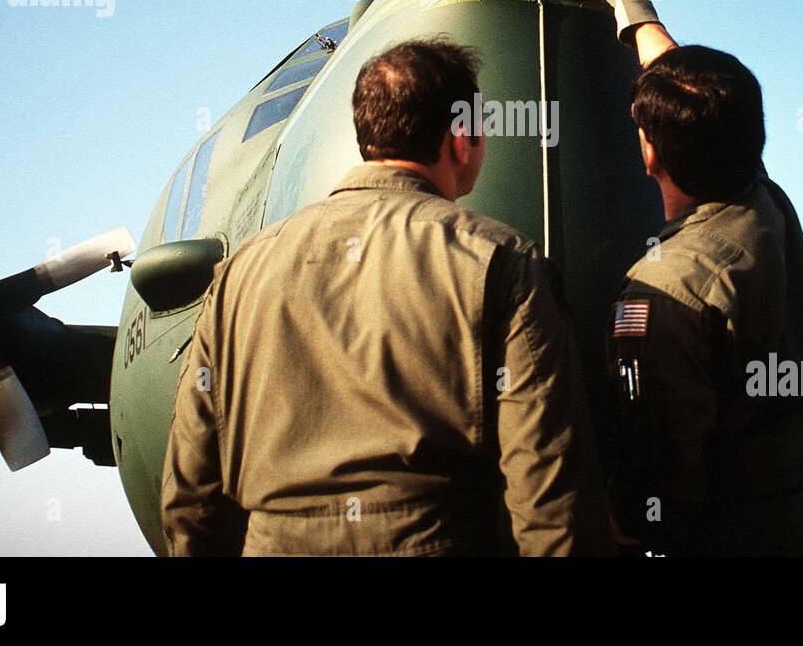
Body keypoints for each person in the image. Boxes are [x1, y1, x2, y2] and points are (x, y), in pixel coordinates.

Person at [161, 37, 611, 556]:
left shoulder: (239, 274)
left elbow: (190, 495)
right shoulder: (502, 261)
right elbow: (550, 494)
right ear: (461, 138)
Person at [602, 0, 803, 556]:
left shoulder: (662, 291)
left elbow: (658, 490)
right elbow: (686, 84)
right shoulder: (764, 199)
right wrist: (634, 7)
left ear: (650, 156)